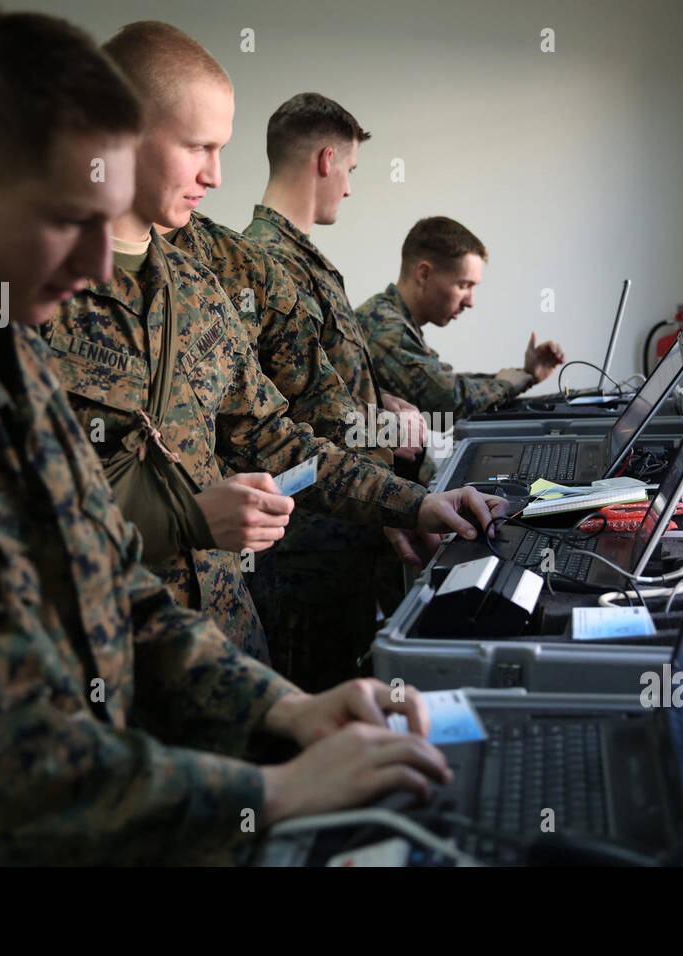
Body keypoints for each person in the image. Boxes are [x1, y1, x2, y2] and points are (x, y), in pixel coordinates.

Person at [0, 11, 450, 866]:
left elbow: (114, 578)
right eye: (66, 219)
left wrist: (283, 710)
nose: (94, 266)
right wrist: (275, 791)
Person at [43, 44, 498, 668]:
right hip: (101, 667)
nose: (216, 176)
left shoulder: (197, 285)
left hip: (224, 654)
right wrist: (184, 520)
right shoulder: (21, 292)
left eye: (221, 150)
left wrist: (415, 502)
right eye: (198, 147)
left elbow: (278, 439)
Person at [245, 93, 438, 689]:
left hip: (345, 523)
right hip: (308, 539)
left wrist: (384, 408)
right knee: (320, 702)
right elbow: (303, 420)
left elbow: (331, 387)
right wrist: (394, 431)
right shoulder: (267, 262)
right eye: (351, 171)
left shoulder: (297, 257)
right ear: (327, 159)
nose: (349, 188)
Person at [356, 216, 566, 421]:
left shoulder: (390, 316)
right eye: (464, 285)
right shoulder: (387, 328)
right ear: (424, 274)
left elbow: (441, 382)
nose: (470, 302)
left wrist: (525, 375)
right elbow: (448, 402)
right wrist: (509, 384)